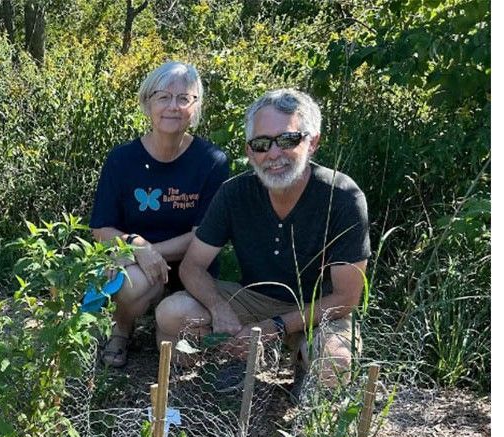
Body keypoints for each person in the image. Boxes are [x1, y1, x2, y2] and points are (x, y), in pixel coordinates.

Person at [155, 88, 370, 385]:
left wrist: (274, 327)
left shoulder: (343, 196)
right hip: (252, 300)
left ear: (313, 143)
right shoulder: (234, 193)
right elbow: (192, 267)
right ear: (249, 151)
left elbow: (346, 298)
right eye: (261, 143)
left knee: (336, 360)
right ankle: (212, 373)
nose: (273, 153)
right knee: (172, 312)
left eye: (287, 139)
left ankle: (306, 379)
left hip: (318, 309)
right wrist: (220, 309)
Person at [89, 61, 230, 367]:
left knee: (179, 362)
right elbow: (101, 227)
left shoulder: (212, 161)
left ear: (196, 106)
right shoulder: (122, 159)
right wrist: (136, 248)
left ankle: (164, 320)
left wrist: (149, 252)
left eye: (184, 98)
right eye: (163, 97)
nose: (173, 106)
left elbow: (203, 235)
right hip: (138, 268)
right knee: (134, 284)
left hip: (191, 270)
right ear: (147, 102)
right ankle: (122, 329)